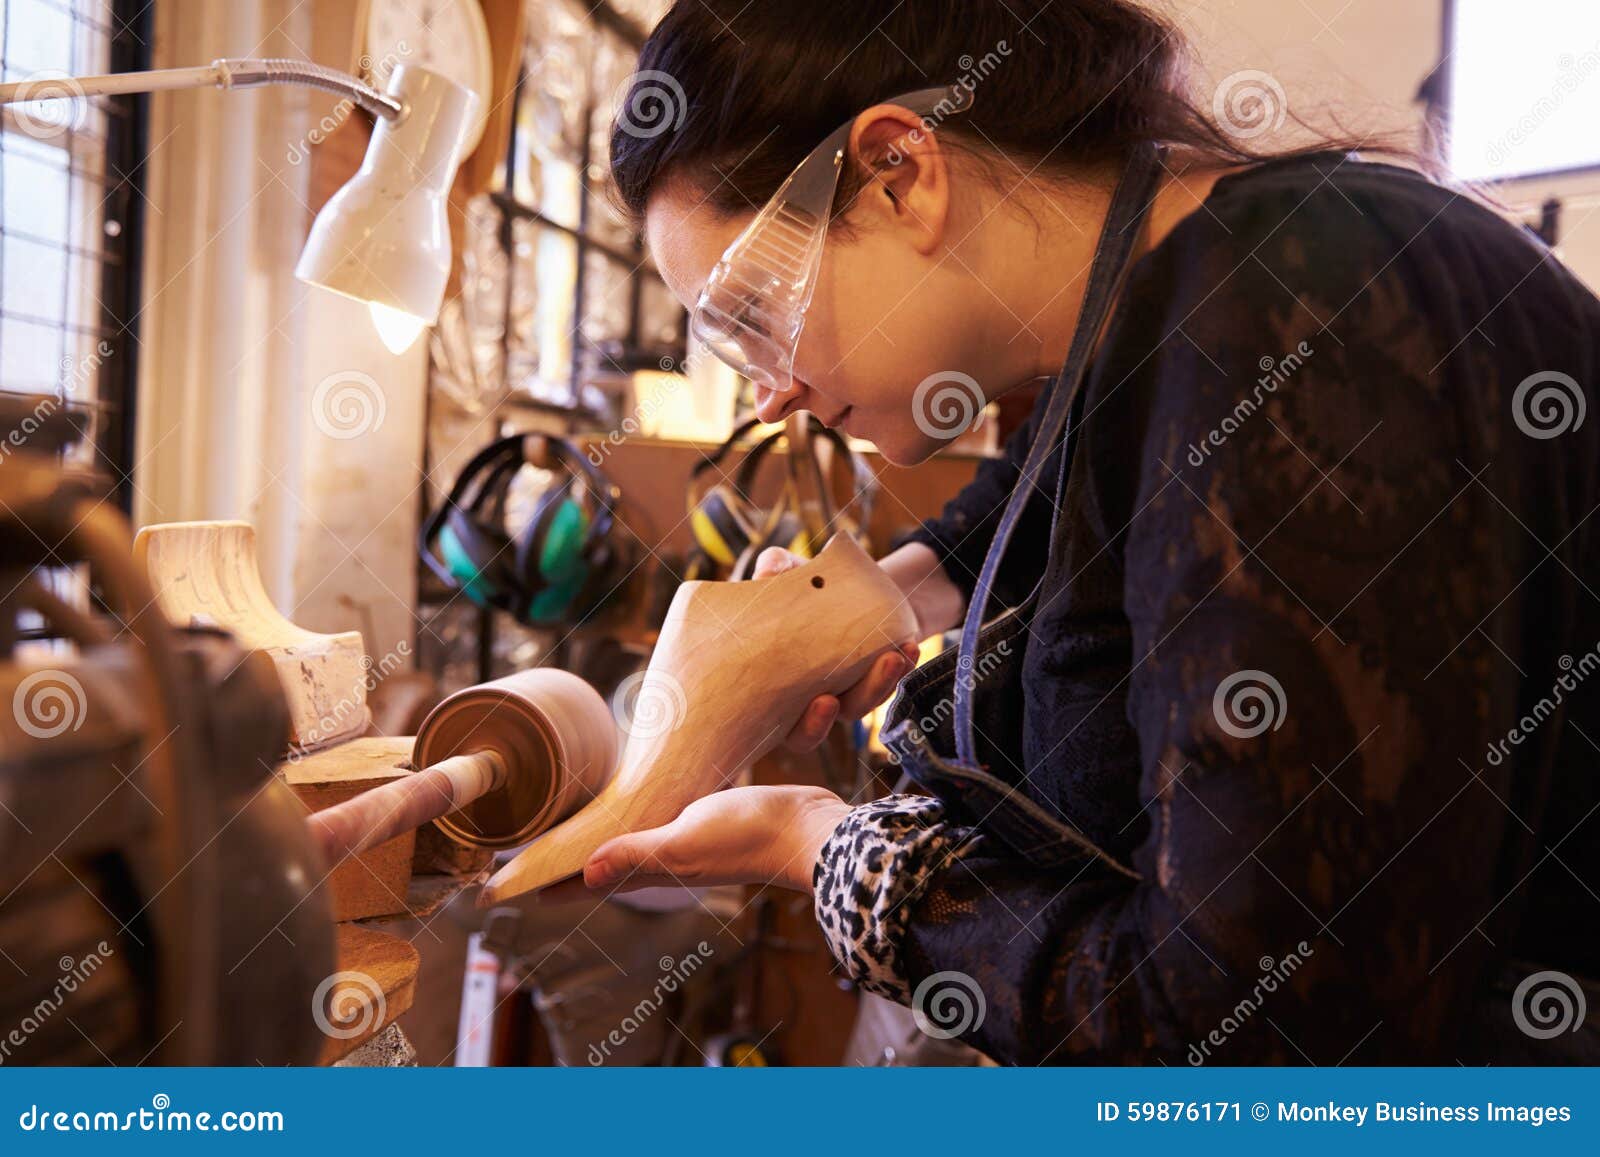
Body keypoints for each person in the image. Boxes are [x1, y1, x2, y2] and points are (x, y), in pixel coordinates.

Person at [573, 0, 1600, 1064]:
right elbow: (1054, 497)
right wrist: (867, 600)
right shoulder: (1167, 315)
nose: (771, 393)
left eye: (750, 312)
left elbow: (1255, 1027)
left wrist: (826, 850)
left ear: (896, 173)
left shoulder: (1304, 306)